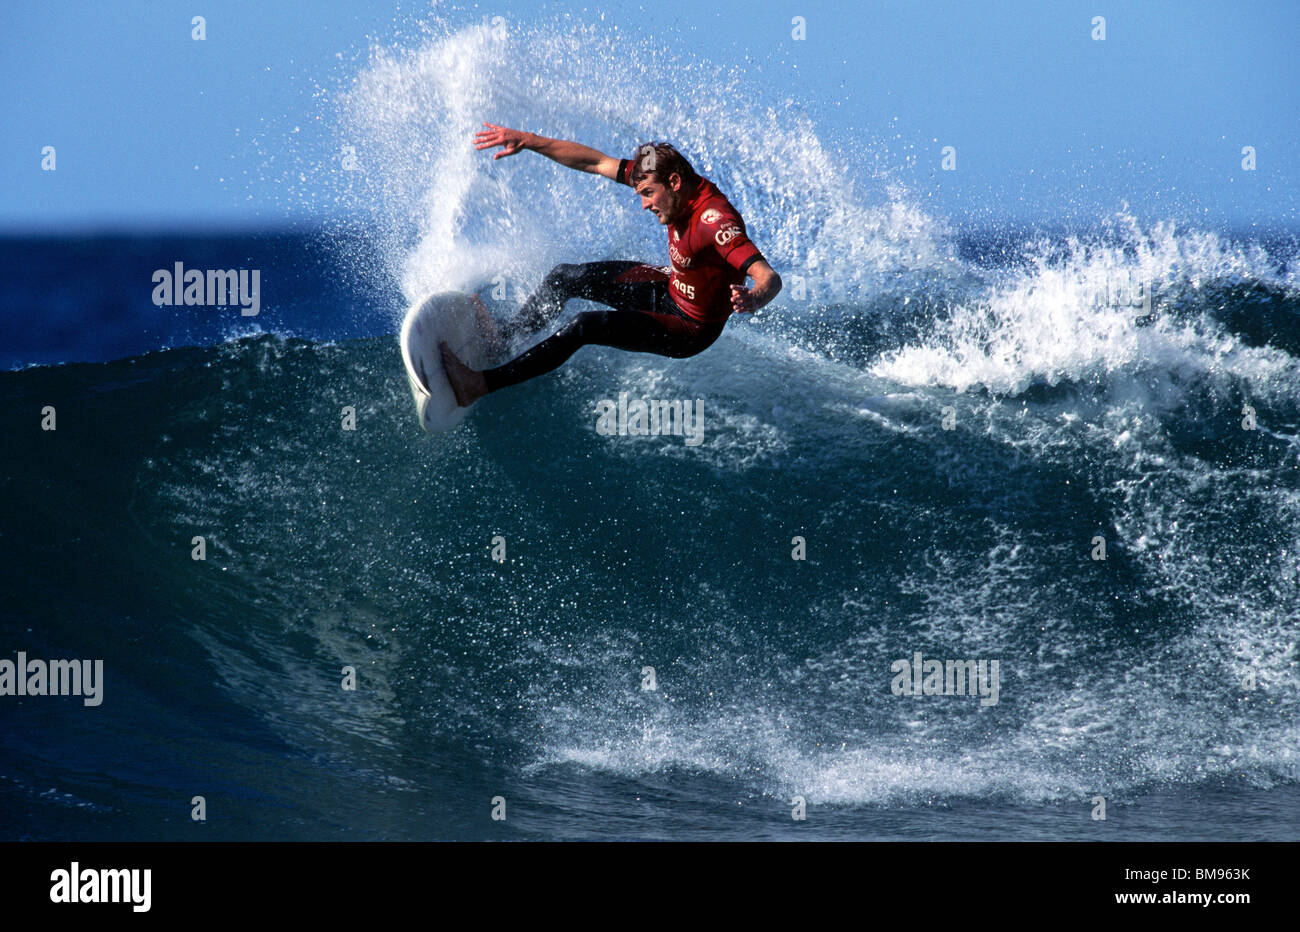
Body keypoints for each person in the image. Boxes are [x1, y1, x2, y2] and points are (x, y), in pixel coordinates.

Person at [439, 123, 782, 406]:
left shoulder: (714, 221)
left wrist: (754, 298)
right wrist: (530, 141)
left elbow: (768, 277)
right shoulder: (664, 177)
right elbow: (595, 162)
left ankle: (479, 385)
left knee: (585, 325)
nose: (645, 205)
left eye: (648, 194)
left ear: (674, 182)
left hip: (690, 327)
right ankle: (503, 340)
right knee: (564, 277)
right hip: (669, 285)